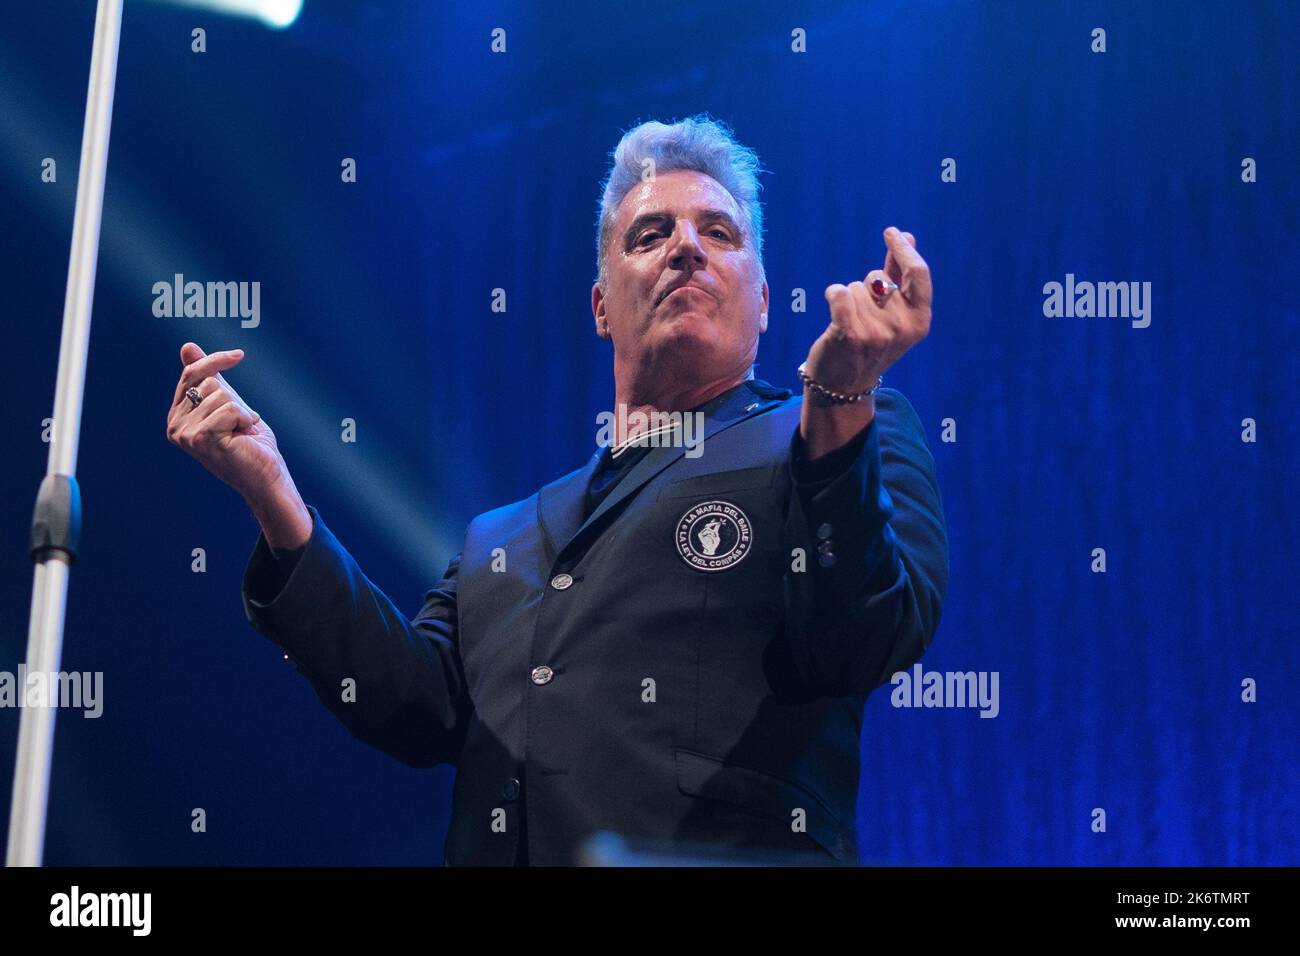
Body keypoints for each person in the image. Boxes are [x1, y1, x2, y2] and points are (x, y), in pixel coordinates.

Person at [164, 115, 948, 866]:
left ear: (766, 300)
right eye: (651, 235)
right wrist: (276, 499)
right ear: (602, 306)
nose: (685, 248)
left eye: (718, 231)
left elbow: (864, 638)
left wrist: (843, 398)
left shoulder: (828, 434)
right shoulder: (498, 539)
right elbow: (407, 705)